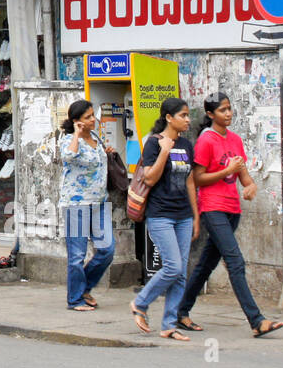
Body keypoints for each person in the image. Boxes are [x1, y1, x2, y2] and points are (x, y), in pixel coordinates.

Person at [176, 93, 283, 338]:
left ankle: (180, 311)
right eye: (223, 110)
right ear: (210, 114)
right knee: (235, 261)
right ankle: (256, 320)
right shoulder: (206, 140)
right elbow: (197, 178)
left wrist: (250, 186)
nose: (228, 114)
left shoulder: (235, 139)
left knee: (206, 264)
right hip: (212, 207)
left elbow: (243, 174)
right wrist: (227, 170)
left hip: (232, 209)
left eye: (229, 109)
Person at [129, 98, 200, 341]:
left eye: (188, 115)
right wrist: (165, 152)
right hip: (160, 215)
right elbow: (149, 178)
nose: (187, 119)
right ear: (169, 118)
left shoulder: (187, 145)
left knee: (180, 274)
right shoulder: (153, 143)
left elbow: (190, 180)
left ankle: (169, 324)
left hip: (183, 215)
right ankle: (140, 303)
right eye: (183, 115)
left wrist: (196, 215)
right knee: (173, 266)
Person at [59, 99, 116, 311]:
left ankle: (85, 287)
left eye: (93, 115)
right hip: (76, 204)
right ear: (76, 121)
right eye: (88, 117)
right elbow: (68, 156)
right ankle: (74, 300)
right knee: (77, 256)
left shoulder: (95, 137)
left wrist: (106, 151)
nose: (93, 119)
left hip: (99, 202)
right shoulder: (67, 140)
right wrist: (76, 133)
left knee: (107, 250)